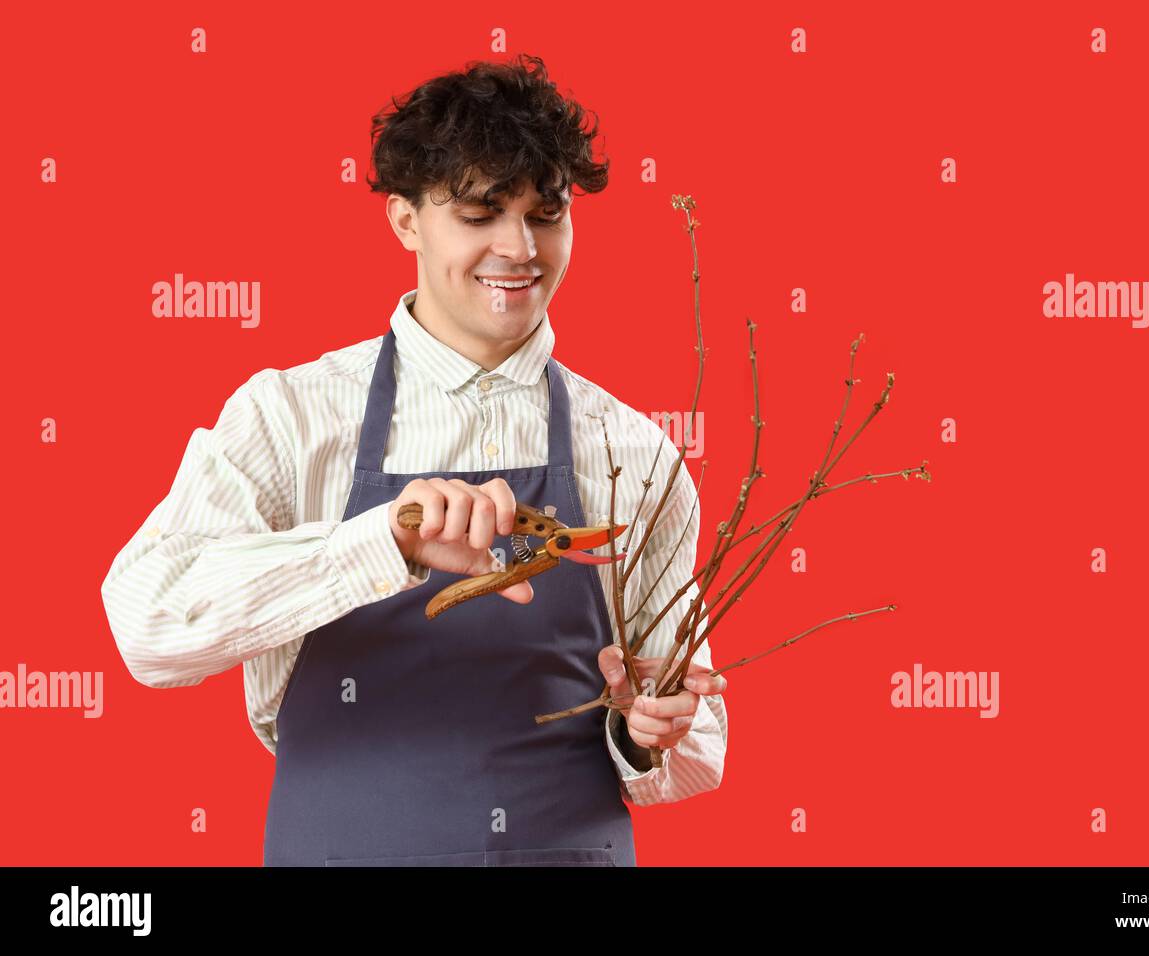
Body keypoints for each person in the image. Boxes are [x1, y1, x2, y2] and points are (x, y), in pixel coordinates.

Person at [100, 54, 727, 867]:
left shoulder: (632, 451)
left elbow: (695, 747)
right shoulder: (289, 417)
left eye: (546, 213)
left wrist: (649, 730)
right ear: (404, 220)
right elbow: (150, 626)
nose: (519, 247)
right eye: (479, 213)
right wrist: (380, 543)